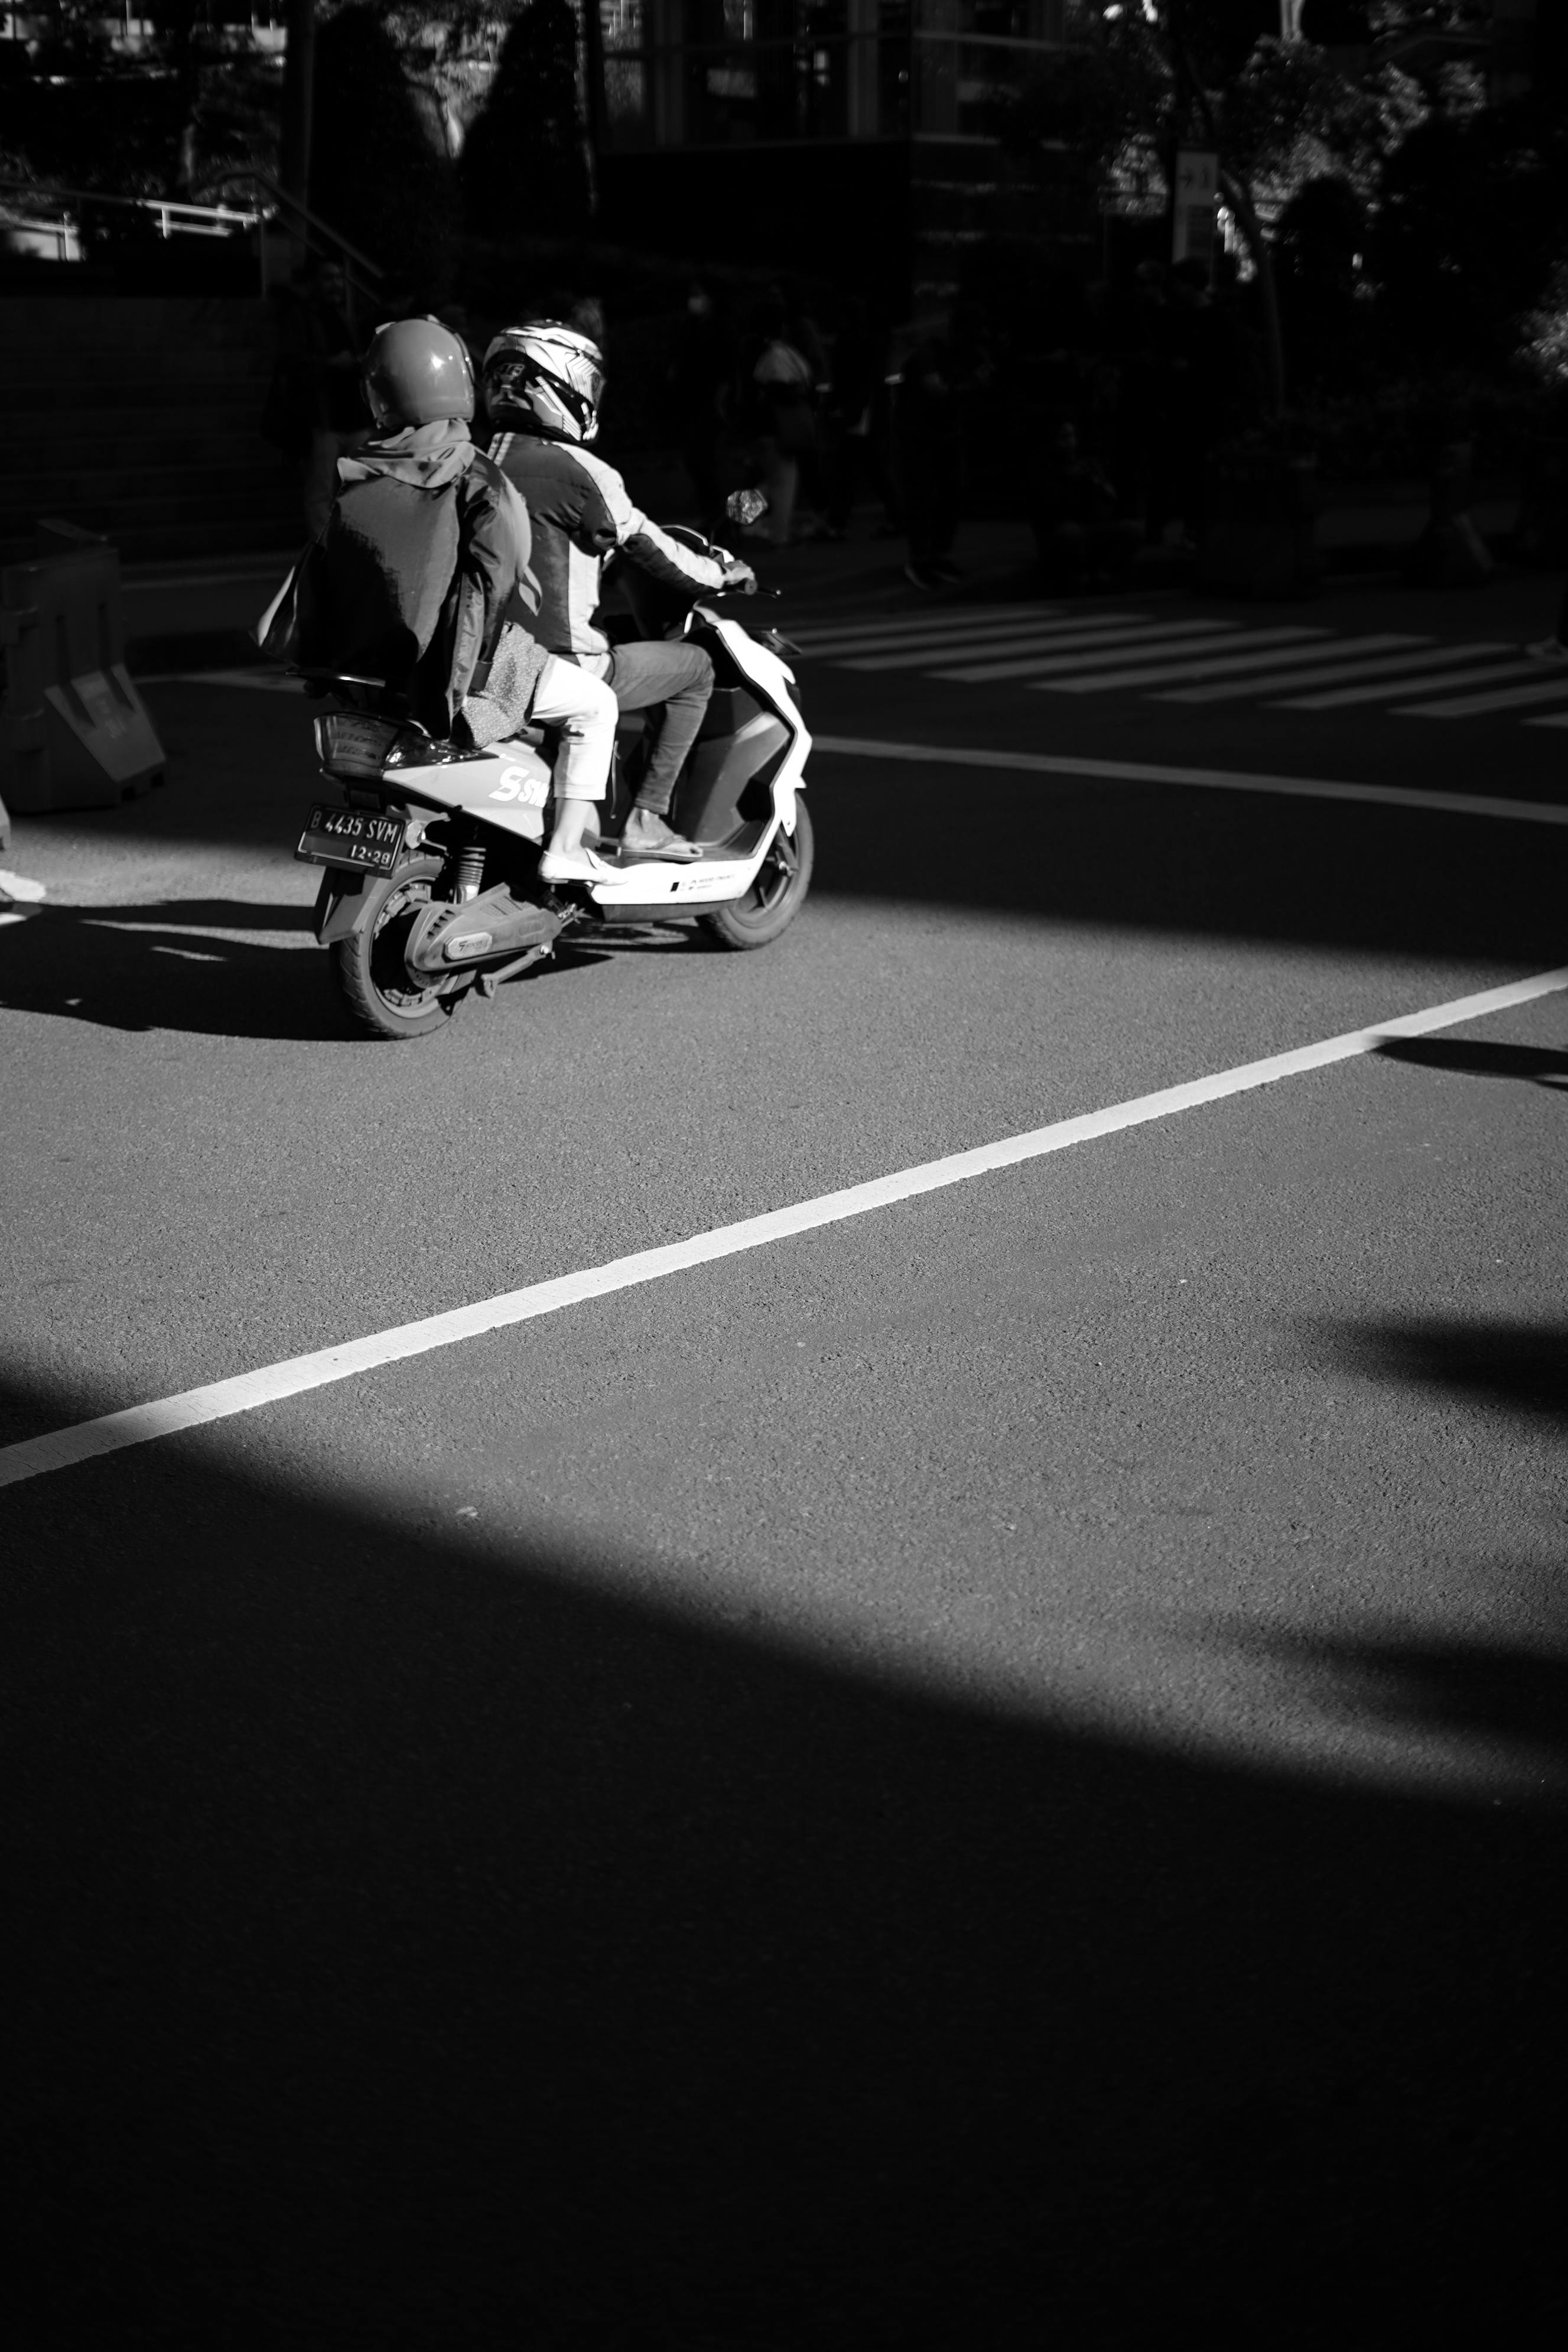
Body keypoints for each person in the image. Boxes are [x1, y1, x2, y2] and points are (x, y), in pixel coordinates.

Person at [294, 316, 617, 885]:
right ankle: (567, 847)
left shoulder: (361, 474)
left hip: (369, 668)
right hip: (454, 666)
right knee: (597, 704)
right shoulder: (476, 475)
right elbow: (501, 576)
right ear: (461, 382)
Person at [481, 320, 756, 864]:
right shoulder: (582, 472)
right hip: (557, 663)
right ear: (563, 385)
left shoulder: (473, 460)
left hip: (480, 657)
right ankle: (646, 819)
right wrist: (722, 572)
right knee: (697, 669)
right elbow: (656, 550)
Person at [270, 256, 373, 539]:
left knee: (359, 484)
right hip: (324, 417)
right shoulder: (302, 317)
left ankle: (355, 540)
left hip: (352, 415)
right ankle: (324, 545)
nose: (336, 284)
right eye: (328, 278)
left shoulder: (344, 315)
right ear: (313, 283)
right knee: (322, 488)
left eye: (339, 278)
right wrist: (331, 364)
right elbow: (291, 362)